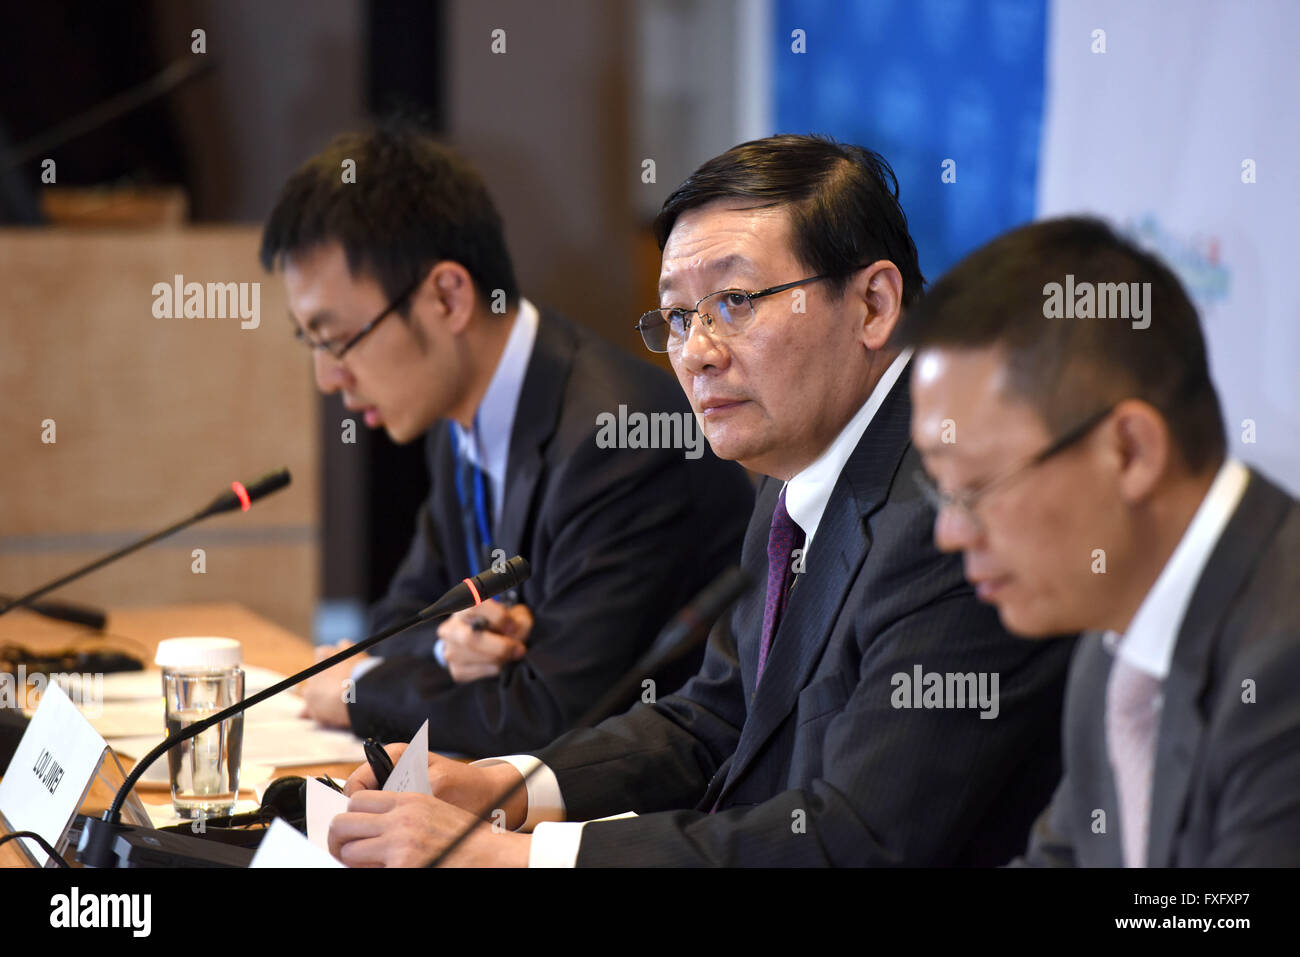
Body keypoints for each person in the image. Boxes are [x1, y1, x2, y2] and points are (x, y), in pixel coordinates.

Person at [327, 135, 1076, 867]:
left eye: (737, 300)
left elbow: (854, 839)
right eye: (680, 317)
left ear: (874, 304)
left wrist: (509, 856)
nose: (698, 351)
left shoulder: (950, 515)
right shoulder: (798, 467)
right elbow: (716, 716)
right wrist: (505, 785)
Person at [260, 121, 754, 754]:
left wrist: (362, 692)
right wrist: (449, 644)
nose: (328, 378)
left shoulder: (620, 437)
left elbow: (550, 715)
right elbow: (395, 624)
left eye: (336, 339)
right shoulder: (459, 419)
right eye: (311, 343)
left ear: (447, 296)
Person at [896, 216, 1300, 866]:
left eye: (974, 487)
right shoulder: (1112, 650)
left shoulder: (1282, 659)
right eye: (939, 491)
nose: (949, 531)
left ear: (1131, 451)